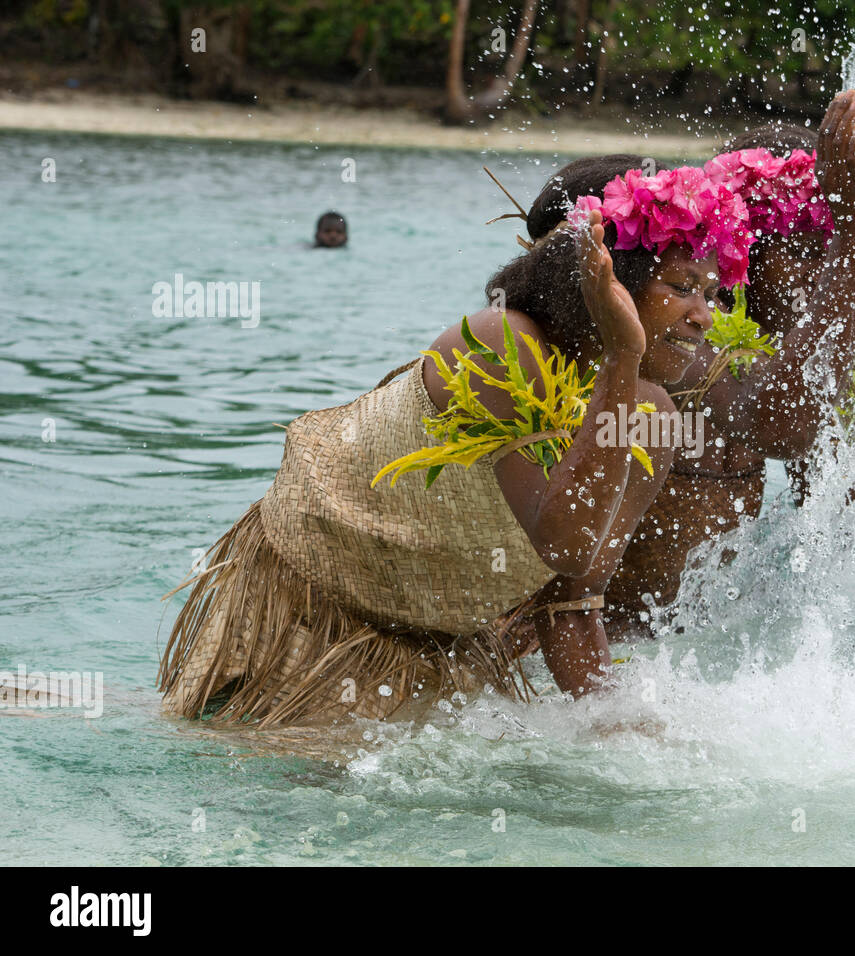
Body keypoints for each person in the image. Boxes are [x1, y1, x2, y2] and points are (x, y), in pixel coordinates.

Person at [159, 161, 754, 725]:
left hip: (440, 643)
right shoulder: (501, 344)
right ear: (603, 280)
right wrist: (623, 356)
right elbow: (565, 543)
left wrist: (620, 733)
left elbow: (571, 600)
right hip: (313, 598)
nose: (704, 315)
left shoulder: (651, 414)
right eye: (681, 286)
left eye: (710, 291)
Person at [601, 90, 855, 635]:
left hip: (679, 653)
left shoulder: (781, 360)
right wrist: (853, 243)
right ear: (740, 247)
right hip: (599, 655)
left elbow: (835, 526)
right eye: (801, 251)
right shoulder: (673, 343)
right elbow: (780, 428)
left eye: (826, 256)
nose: (820, 275)